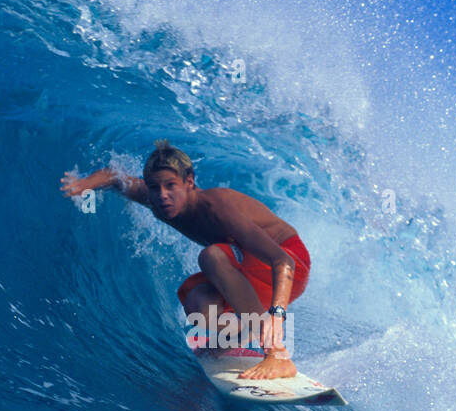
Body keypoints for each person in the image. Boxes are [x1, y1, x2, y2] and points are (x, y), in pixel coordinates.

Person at [60, 140, 311, 380]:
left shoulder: (216, 207)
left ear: (189, 182)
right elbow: (114, 176)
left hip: (289, 264)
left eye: (171, 186)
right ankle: (237, 339)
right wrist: (84, 184)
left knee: (211, 256)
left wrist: (277, 314)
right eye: (155, 187)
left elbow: (283, 262)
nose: (162, 195)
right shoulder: (156, 200)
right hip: (253, 269)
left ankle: (277, 353)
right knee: (198, 303)